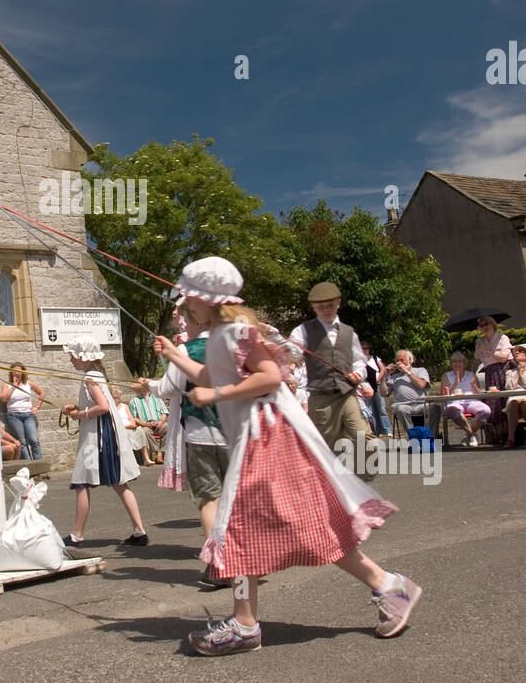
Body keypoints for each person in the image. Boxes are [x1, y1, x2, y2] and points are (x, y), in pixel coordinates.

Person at [155, 257, 421, 656]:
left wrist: (216, 396)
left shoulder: (236, 330)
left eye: (189, 299)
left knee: (241, 529)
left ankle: (245, 624)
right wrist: (176, 358)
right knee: (302, 525)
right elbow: (213, 375)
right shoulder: (221, 335)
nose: (185, 307)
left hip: (267, 438)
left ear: (207, 299)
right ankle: (388, 586)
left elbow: (269, 376)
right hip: (260, 440)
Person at [133, 311, 229, 589]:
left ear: (198, 322)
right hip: (234, 432)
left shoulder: (188, 349)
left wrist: (146, 384)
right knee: (231, 499)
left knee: (210, 499)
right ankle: (247, 563)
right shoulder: (235, 345)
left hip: (201, 433)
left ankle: (219, 566)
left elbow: (168, 387)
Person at [62, 335, 148, 548]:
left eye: (73, 356)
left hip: (98, 438)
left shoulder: (90, 378)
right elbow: (101, 403)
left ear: (83, 356)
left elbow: (103, 407)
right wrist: (77, 407)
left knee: (82, 482)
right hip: (106, 435)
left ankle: (76, 535)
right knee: (118, 483)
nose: (71, 360)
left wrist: (79, 415)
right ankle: (139, 531)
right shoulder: (96, 375)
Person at [288, 283, 378, 454]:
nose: (326, 310)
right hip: (321, 399)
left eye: (330, 305)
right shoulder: (303, 331)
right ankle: (335, 478)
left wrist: (358, 374)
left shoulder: (349, 332)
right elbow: (292, 354)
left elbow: (360, 362)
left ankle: (354, 479)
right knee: (327, 450)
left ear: (338, 303)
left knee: (369, 443)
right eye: (321, 307)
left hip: (347, 396)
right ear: (314, 307)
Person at [379, 350, 435, 436]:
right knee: (401, 409)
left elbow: (421, 385)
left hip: (420, 404)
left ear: (410, 360)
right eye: (397, 360)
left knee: (435, 408)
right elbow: (384, 393)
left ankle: (431, 437)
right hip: (403, 405)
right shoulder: (395, 377)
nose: (399, 363)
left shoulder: (420, 370)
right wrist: (384, 376)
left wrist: (407, 372)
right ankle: (414, 438)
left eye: (402, 360)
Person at [442, 352, 491, 447]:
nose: (457, 364)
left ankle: (468, 435)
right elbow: (444, 395)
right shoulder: (446, 375)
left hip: (471, 400)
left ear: (464, 363)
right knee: (452, 410)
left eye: (460, 361)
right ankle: (472, 435)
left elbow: (479, 394)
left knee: (486, 411)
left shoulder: (471, 374)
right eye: (454, 361)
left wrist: (474, 386)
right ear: (451, 364)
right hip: (454, 401)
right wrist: (455, 384)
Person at [0, 363, 44, 461]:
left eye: (19, 371)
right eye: (14, 371)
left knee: (34, 440)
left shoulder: (28, 383)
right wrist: (14, 386)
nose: (16, 373)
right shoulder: (7, 385)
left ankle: (38, 462)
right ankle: (29, 465)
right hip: (14, 416)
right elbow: (3, 399)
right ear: (11, 373)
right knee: (22, 442)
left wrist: (37, 407)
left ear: (23, 373)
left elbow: (41, 393)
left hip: (28, 415)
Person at [110, 384, 155, 465]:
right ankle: (132, 462)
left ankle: (146, 458)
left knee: (140, 431)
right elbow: (112, 422)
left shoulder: (125, 406)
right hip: (121, 428)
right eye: (114, 398)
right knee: (126, 433)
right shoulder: (110, 409)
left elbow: (131, 418)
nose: (116, 400)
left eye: (117, 398)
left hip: (130, 427)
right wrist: (125, 426)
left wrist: (133, 424)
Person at [128, 388, 168, 462]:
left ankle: (162, 454)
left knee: (169, 427)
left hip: (158, 423)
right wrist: (145, 424)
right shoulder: (133, 401)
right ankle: (155, 455)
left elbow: (164, 412)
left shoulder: (157, 398)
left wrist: (161, 422)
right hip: (145, 425)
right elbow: (134, 418)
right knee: (145, 432)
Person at [362, 344, 392, 436]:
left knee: (381, 408)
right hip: (367, 386)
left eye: (366, 348)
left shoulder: (374, 358)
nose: (365, 350)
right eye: (363, 348)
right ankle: (377, 431)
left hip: (377, 384)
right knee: (371, 409)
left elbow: (382, 369)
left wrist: (378, 379)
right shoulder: (359, 360)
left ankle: (387, 430)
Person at [503, 346, 526, 448]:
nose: (517, 353)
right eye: (515, 352)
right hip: (514, 396)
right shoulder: (510, 372)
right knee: (513, 403)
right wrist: (517, 372)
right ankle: (511, 438)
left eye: (520, 351)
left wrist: (522, 374)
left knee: (523, 403)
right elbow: (509, 387)